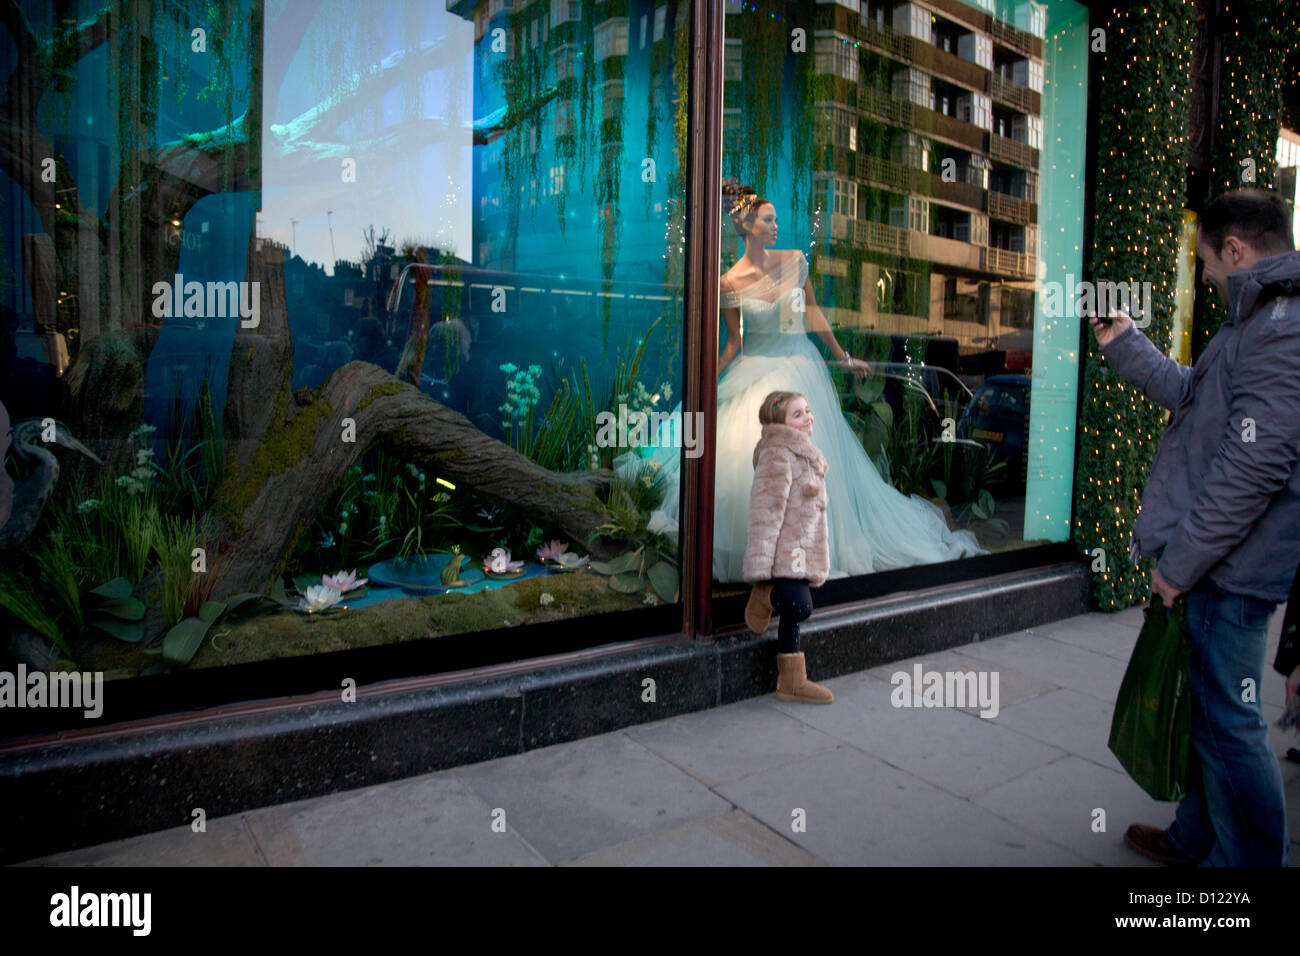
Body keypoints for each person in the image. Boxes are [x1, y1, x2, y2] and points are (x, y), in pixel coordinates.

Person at [617, 182, 984, 582]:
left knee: (814, 468)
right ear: (747, 225)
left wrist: (843, 356)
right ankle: (757, 556)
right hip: (754, 375)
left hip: (801, 368)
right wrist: (707, 377)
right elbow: (735, 342)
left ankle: (812, 554)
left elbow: (812, 312)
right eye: (768, 219)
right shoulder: (728, 283)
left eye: (776, 219)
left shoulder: (795, 260)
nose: (776, 226)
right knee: (745, 467)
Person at [1091, 188, 1300, 867]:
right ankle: (1193, 840)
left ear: (1235, 250)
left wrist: (1178, 565)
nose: (1205, 272)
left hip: (1229, 569)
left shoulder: (1280, 329)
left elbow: (1251, 471)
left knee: (1229, 727)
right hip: (1226, 562)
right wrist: (1128, 347)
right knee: (1212, 719)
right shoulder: (1259, 322)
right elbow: (1197, 400)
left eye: (1207, 258)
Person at [742, 390, 834, 704]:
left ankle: (791, 682)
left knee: (794, 616)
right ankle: (766, 593)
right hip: (783, 553)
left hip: (802, 551)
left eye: (808, 410)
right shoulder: (777, 454)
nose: (808, 417)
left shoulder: (806, 452)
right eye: (798, 414)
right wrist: (762, 567)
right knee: (799, 607)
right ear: (779, 423)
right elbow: (765, 513)